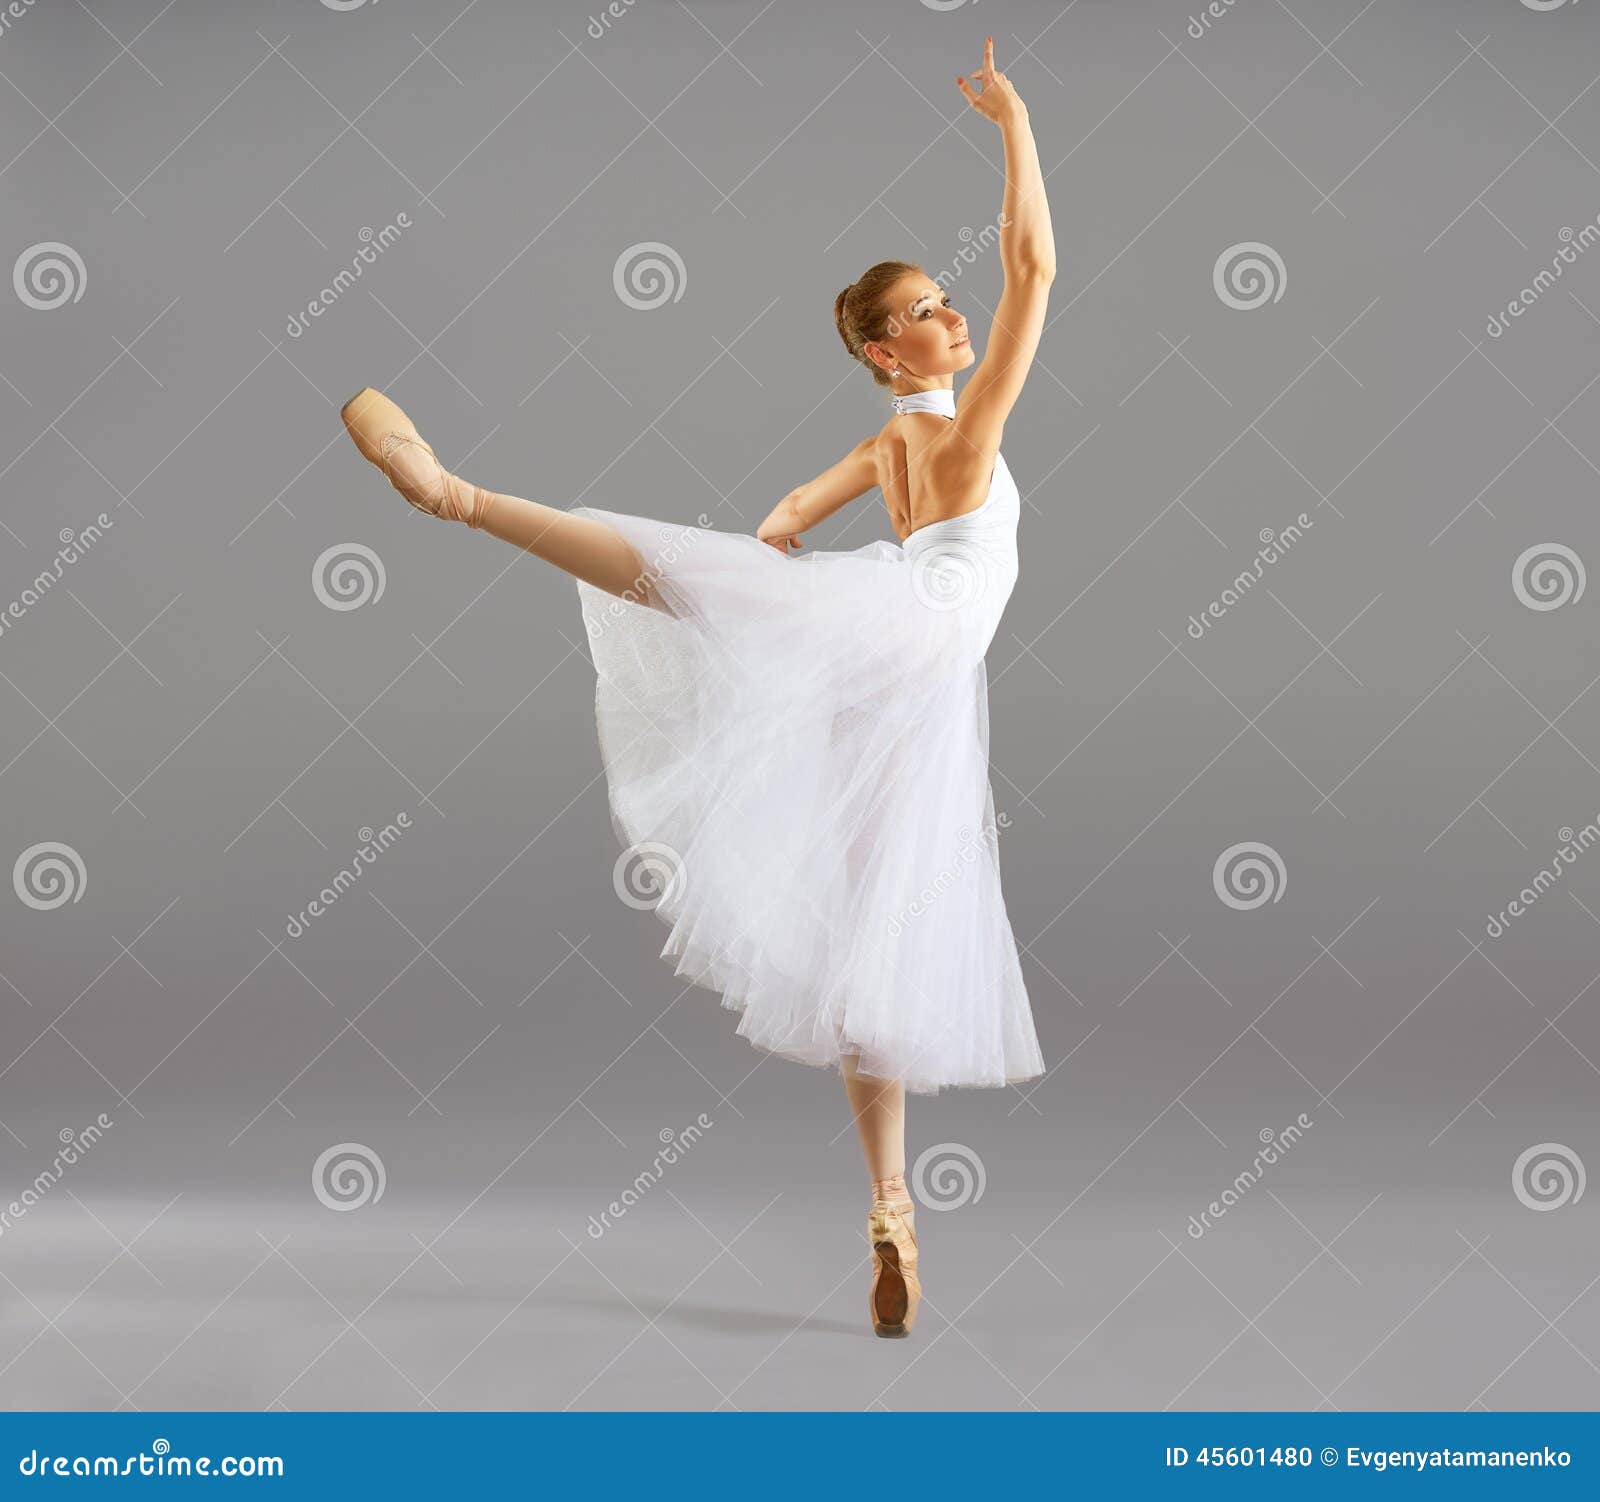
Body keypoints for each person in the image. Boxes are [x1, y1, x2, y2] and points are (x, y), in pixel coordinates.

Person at [338, 37, 1054, 1338]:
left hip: (892, 674)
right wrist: (1013, 121)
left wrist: (775, 564)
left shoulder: (887, 439)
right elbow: (1036, 265)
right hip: (918, 651)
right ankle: (462, 496)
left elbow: (785, 516)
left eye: (948, 303)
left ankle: (893, 1207)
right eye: (931, 310)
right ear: (894, 353)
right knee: (709, 607)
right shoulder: (967, 423)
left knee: (860, 918)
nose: (958, 316)